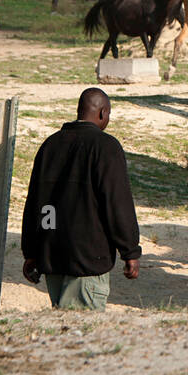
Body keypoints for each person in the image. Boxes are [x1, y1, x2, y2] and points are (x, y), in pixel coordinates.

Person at [21, 87, 140, 310]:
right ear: (103, 113)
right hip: (87, 262)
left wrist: (31, 251)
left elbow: (34, 203)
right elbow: (117, 204)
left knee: (61, 331)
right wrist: (130, 251)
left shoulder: (50, 145)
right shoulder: (106, 147)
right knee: (79, 337)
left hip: (51, 258)